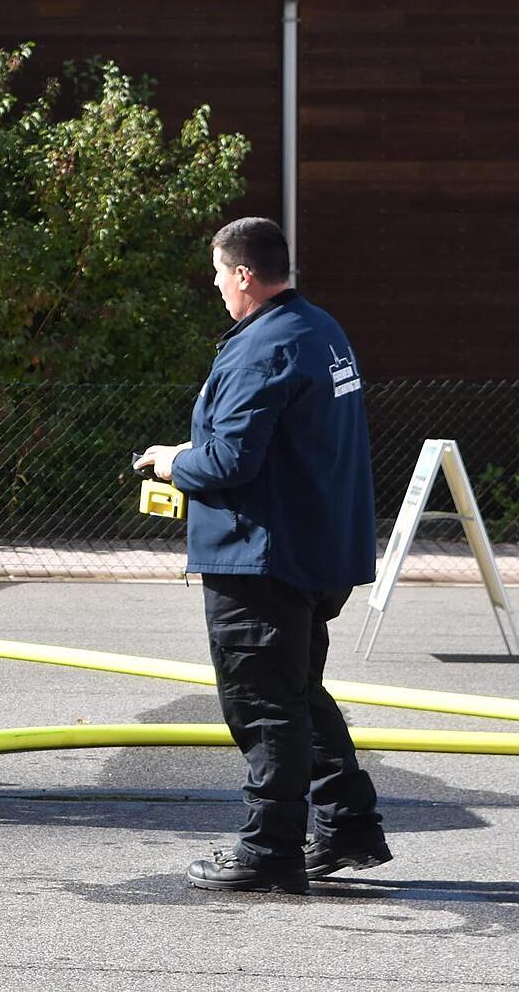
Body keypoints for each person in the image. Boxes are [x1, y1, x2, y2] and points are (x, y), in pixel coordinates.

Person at [136, 217, 389, 895]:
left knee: (265, 706)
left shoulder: (262, 347)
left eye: (219, 273)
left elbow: (229, 459)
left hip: (261, 558)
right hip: (315, 548)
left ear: (244, 275)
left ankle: (269, 849)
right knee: (299, 695)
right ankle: (348, 827)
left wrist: (171, 462)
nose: (216, 286)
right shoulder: (320, 330)